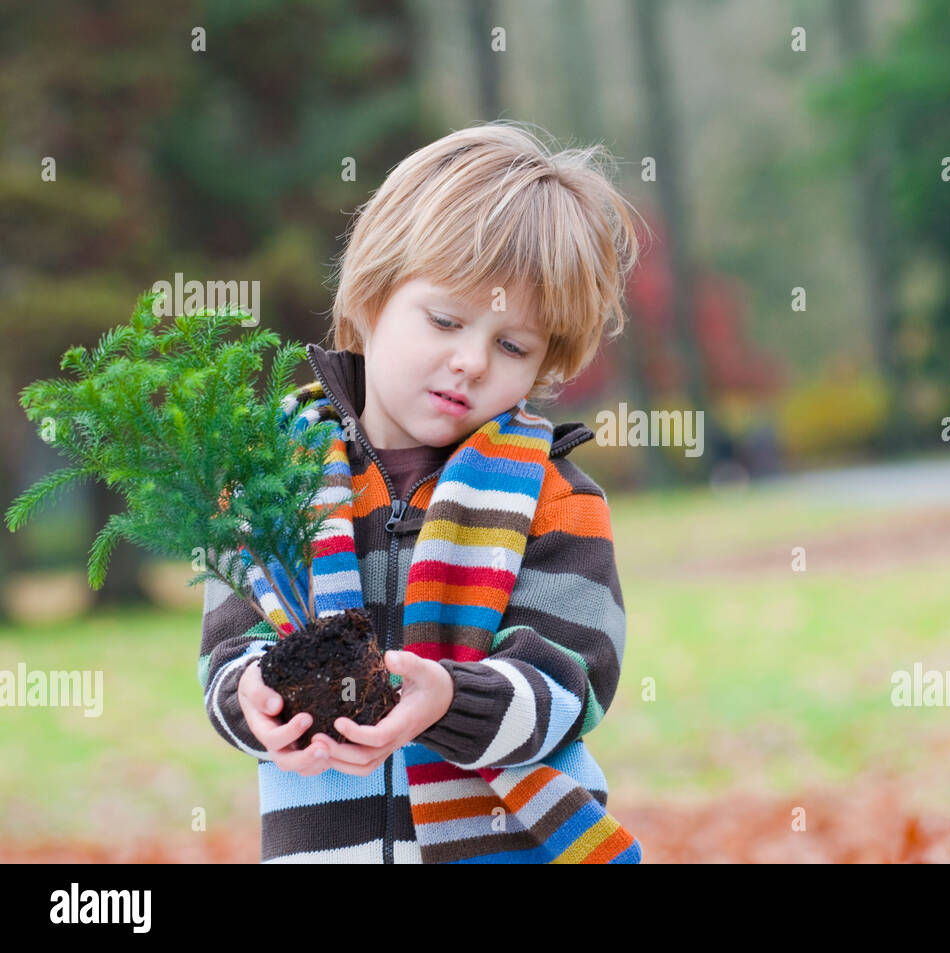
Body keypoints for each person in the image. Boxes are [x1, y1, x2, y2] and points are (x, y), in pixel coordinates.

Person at [197, 120, 643, 863]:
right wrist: (254, 699)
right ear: (371, 300)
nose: (469, 360)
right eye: (445, 319)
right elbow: (230, 657)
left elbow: (572, 680)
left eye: (512, 345)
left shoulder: (554, 494)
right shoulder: (275, 479)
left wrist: (452, 699)